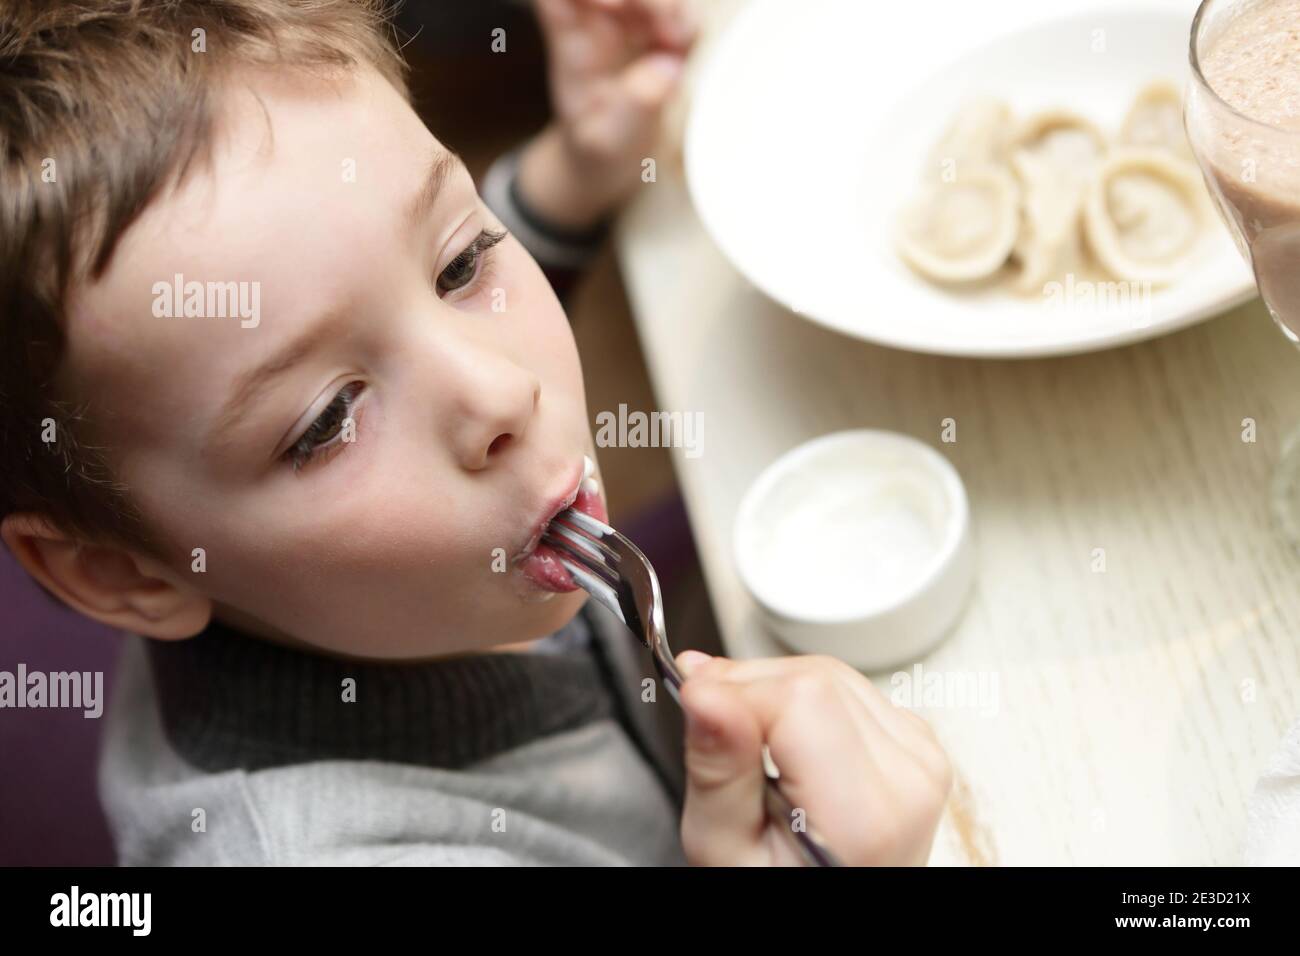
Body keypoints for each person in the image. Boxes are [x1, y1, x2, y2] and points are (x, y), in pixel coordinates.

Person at [0, 0, 951, 865]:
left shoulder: (401, 568)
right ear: (120, 573)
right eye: (329, 421)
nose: (501, 395)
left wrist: (568, 179)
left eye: (461, 263)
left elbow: (355, 292)